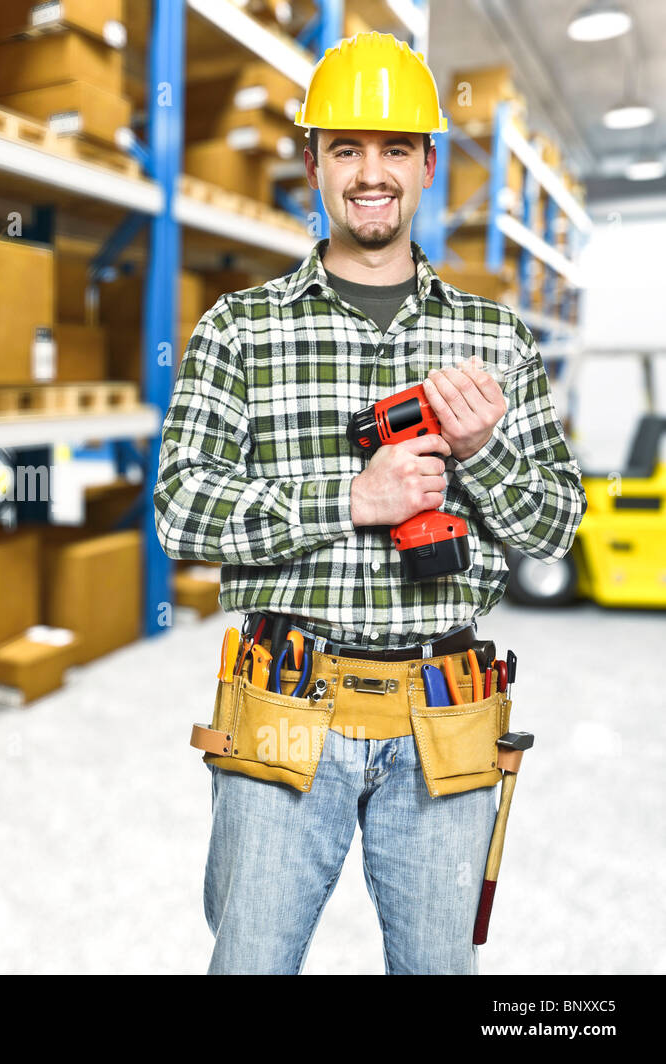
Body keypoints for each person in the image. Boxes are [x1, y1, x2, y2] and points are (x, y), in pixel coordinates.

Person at [153, 32, 587, 975]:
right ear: (312, 164)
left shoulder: (495, 335)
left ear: (428, 163)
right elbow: (180, 510)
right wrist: (351, 498)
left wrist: (483, 452)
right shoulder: (241, 326)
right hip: (285, 704)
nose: (370, 173)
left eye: (394, 147)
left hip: (447, 715)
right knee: (251, 964)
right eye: (345, 148)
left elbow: (555, 523)